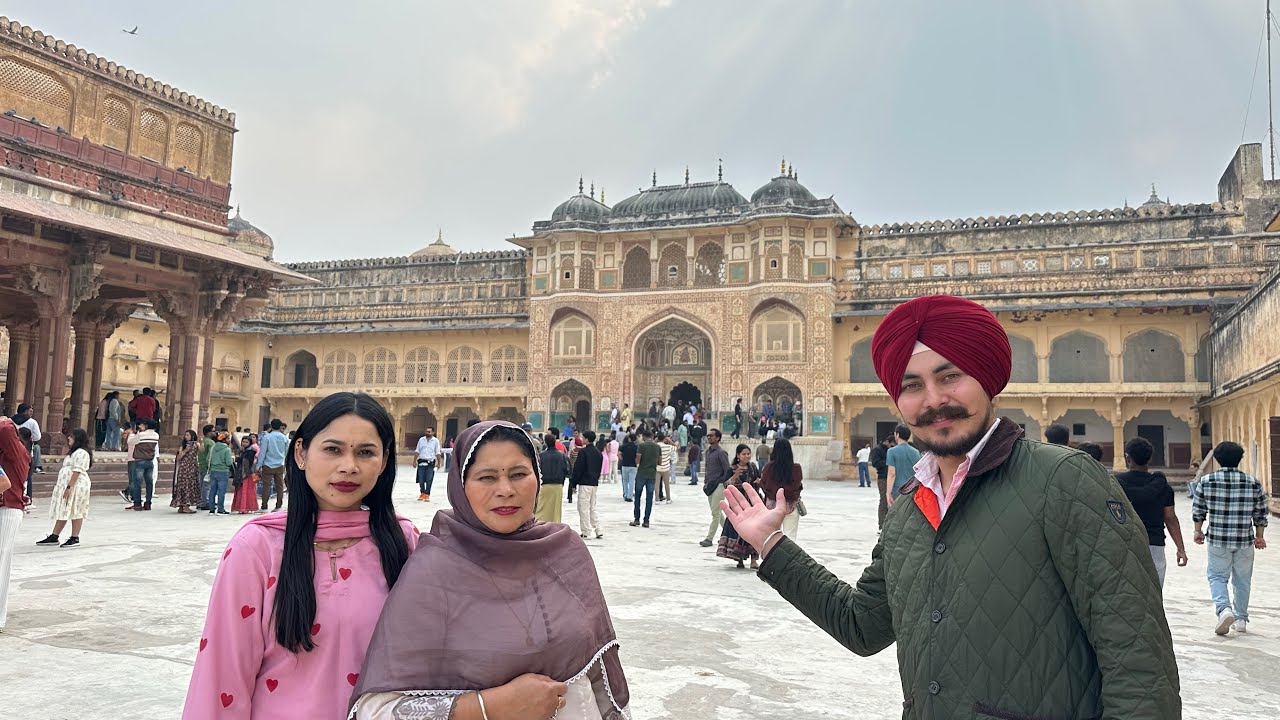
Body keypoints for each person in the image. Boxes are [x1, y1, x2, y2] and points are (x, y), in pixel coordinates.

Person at [722, 293, 1180, 718]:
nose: (934, 400)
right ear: (898, 401)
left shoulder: (1063, 481)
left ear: (986, 377)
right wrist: (772, 542)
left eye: (950, 376)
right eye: (912, 385)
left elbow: (1139, 667)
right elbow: (863, 625)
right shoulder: (910, 511)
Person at [348, 420, 631, 720]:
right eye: (487, 477)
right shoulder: (434, 571)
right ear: (460, 484)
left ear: (537, 477)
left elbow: (600, 678)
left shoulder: (565, 553)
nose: (506, 490)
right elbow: (377, 711)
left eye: (519, 474)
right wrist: (487, 707)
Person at [182, 392, 417, 719]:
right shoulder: (259, 548)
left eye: (365, 452)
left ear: (383, 460)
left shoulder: (402, 542)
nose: (348, 466)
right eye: (332, 449)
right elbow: (223, 678)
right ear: (301, 453)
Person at [1192, 440, 1268, 635]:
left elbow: (1198, 509)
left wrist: (1197, 531)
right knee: (1242, 579)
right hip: (1244, 540)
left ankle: (1224, 609)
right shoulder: (1253, 483)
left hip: (1217, 539)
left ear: (1217, 459)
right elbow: (1260, 513)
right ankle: (1241, 618)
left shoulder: (1206, 481)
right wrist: (1260, 536)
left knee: (1217, 576)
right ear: (1240, 459)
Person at [1115, 437, 1187, 588]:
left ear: (1128, 458)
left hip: (1123, 542)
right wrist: (1180, 549)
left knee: (1125, 593)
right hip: (1155, 543)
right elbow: (1170, 518)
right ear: (1149, 459)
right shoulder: (1163, 487)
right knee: (1154, 593)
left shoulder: (1116, 484)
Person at [35, 428, 94, 549]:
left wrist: (69, 487)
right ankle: (55, 535)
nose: (69, 439)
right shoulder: (73, 452)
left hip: (77, 486)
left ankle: (75, 536)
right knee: (64, 508)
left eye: (71, 437)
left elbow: (77, 471)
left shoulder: (82, 453)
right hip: (67, 484)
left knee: (76, 509)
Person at [0, 416, 31, 632]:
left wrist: (6, 418)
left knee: (1, 564)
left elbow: (4, 428)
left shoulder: (18, 453)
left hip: (9, 510)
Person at [718, 444, 762, 568]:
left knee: (754, 531)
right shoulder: (731, 469)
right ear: (738, 455)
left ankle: (754, 560)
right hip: (737, 506)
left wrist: (760, 482)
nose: (747, 456)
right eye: (744, 454)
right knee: (739, 531)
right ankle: (739, 559)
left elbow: (760, 480)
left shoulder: (753, 467)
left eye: (748, 454)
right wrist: (735, 476)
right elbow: (726, 485)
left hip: (752, 505)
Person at [759, 437, 803, 539]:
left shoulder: (768, 468)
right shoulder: (796, 469)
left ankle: (774, 555)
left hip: (772, 506)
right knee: (790, 537)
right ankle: (788, 555)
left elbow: (765, 486)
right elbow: (797, 487)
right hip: (791, 506)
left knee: (772, 537)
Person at [699, 428, 731, 548]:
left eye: (711, 436)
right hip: (710, 486)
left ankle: (709, 538)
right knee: (717, 511)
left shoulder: (721, 453)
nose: (709, 438)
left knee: (715, 513)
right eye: (708, 436)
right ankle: (726, 535)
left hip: (719, 485)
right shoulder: (708, 452)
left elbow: (727, 470)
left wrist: (721, 481)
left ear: (717, 438)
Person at [569, 430, 603, 540]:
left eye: (583, 438)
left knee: (583, 507)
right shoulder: (598, 452)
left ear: (587, 439)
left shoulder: (583, 452)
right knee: (592, 507)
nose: (582, 439)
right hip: (594, 483)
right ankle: (598, 529)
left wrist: (573, 483)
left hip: (585, 483)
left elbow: (578, 469)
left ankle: (585, 531)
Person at [125, 419, 160, 511]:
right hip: (150, 461)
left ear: (146, 426)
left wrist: (133, 433)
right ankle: (148, 502)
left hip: (139, 460)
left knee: (137, 483)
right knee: (149, 482)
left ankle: (137, 503)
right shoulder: (156, 436)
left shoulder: (141, 435)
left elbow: (130, 441)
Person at [256, 419, 290, 511]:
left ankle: (264, 506)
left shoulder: (267, 437)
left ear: (271, 426)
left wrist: (258, 465)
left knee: (266, 486)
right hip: (280, 464)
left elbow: (262, 452)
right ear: (280, 427)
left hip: (268, 464)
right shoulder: (284, 438)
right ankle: (278, 505)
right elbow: (287, 453)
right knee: (280, 485)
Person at [535, 433, 569, 524]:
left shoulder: (541, 455)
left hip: (544, 484)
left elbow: (537, 470)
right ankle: (555, 526)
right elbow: (566, 470)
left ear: (545, 442)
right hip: (558, 485)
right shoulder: (561, 455)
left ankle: (541, 525)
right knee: (556, 510)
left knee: (541, 508)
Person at [631, 428, 660, 528]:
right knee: (649, 498)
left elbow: (638, 461)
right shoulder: (657, 447)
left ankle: (637, 519)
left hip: (642, 473)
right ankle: (646, 520)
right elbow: (659, 462)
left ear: (643, 436)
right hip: (652, 474)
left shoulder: (641, 446)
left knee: (638, 497)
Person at [884, 424, 919, 507]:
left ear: (897, 435)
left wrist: (888, 493)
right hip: (912, 489)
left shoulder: (891, 451)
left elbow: (892, 474)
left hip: (897, 489)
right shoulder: (916, 452)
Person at [170, 430, 202, 514]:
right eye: (185, 435)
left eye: (188, 435)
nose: (186, 437)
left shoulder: (196, 445)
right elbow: (178, 458)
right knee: (183, 485)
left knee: (190, 485)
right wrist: (185, 451)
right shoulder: (183, 446)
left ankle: (185, 505)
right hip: (184, 468)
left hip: (192, 468)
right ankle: (183, 505)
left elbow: (202, 451)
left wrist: (200, 443)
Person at [207, 431, 235, 515]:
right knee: (221, 492)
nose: (229, 440)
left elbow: (208, 459)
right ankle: (220, 509)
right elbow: (229, 462)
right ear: (224, 440)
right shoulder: (227, 449)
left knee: (212, 490)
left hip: (213, 471)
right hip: (223, 471)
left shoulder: (213, 448)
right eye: (228, 439)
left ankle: (211, 509)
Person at [231, 435, 260, 514]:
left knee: (246, 490)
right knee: (240, 490)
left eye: (246, 442)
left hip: (247, 473)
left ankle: (246, 507)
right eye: (243, 442)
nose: (244, 443)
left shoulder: (251, 451)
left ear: (250, 443)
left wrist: (239, 458)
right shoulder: (242, 450)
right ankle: (240, 507)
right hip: (240, 473)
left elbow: (247, 462)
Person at [11, 403, 41, 476]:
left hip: (13, 448)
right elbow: (37, 437)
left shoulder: (11, 420)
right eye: (30, 411)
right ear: (25, 411)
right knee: (27, 475)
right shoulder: (32, 422)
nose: (31, 413)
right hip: (27, 450)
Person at [414, 426, 441, 502]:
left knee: (429, 479)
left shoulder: (435, 441)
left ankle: (427, 494)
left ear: (433, 433)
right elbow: (417, 450)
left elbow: (437, 452)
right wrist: (414, 461)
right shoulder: (421, 440)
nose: (427, 433)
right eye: (426, 431)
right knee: (421, 479)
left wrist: (439, 463)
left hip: (430, 463)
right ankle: (422, 492)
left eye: (429, 432)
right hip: (421, 462)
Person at [196, 424, 216, 511]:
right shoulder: (211, 443)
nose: (215, 432)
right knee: (207, 485)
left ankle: (201, 501)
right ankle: (205, 502)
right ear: (209, 433)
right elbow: (211, 455)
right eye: (213, 431)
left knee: (202, 484)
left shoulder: (203, 441)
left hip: (201, 464)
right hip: (208, 466)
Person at [619, 432, 638, 503]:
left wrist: (622, 459)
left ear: (629, 438)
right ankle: (630, 496)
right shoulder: (636, 447)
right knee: (632, 481)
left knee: (625, 481)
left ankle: (625, 494)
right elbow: (638, 455)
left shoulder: (624, 446)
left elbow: (619, 453)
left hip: (625, 465)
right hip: (633, 465)